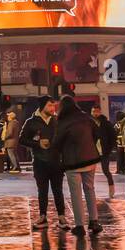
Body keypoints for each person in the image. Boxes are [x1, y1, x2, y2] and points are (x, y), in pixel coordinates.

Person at [49, 96, 102, 236]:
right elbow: (97, 133)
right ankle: (94, 221)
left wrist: (58, 154)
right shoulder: (86, 117)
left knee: (76, 192)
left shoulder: (63, 121)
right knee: (90, 189)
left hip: (72, 162)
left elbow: (57, 143)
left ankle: (80, 225)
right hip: (90, 159)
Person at [24, 95, 65, 226]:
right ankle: (43, 217)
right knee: (42, 191)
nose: (53, 108)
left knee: (58, 190)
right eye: (49, 105)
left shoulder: (57, 120)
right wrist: (37, 144)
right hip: (40, 162)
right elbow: (22, 139)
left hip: (56, 162)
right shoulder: (31, 122)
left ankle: (62, 217)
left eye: (54, 105)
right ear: (42, 107)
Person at [90, 104, 116, 198]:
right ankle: (90, 191)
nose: (95, 113)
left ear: (100, 112)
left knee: (106, 170)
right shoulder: (88, 123)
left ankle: (111, 188)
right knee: (90, 172)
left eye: (97, 111)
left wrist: (109, 149)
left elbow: (113, 136)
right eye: (93, 111)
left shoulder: (106, 123)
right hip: (92, 152)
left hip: (104, 151)